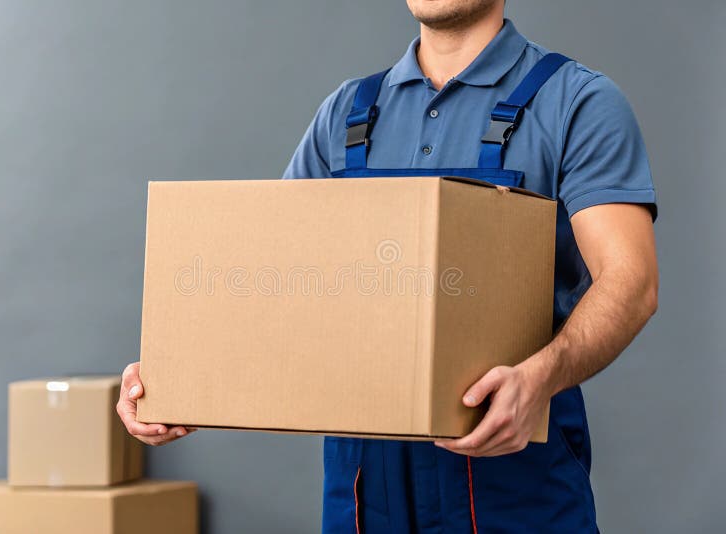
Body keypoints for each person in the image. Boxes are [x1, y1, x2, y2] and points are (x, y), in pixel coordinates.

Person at [117, 1, 659, 531]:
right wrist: (174, 375)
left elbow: (631, 284)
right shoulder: (348, 113)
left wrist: (538, 381)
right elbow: (274, 286)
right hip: (364, 483)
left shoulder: (576, 100)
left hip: (511, 468)